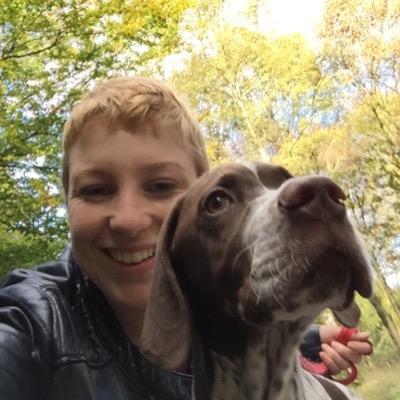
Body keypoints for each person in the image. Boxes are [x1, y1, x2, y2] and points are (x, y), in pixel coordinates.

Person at [0, 76, 372, 399]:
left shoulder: (234, 313)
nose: (128, 220)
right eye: (96, 190)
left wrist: (309, 337)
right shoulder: (33, 322)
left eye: (161, 185)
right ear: (67, 205)